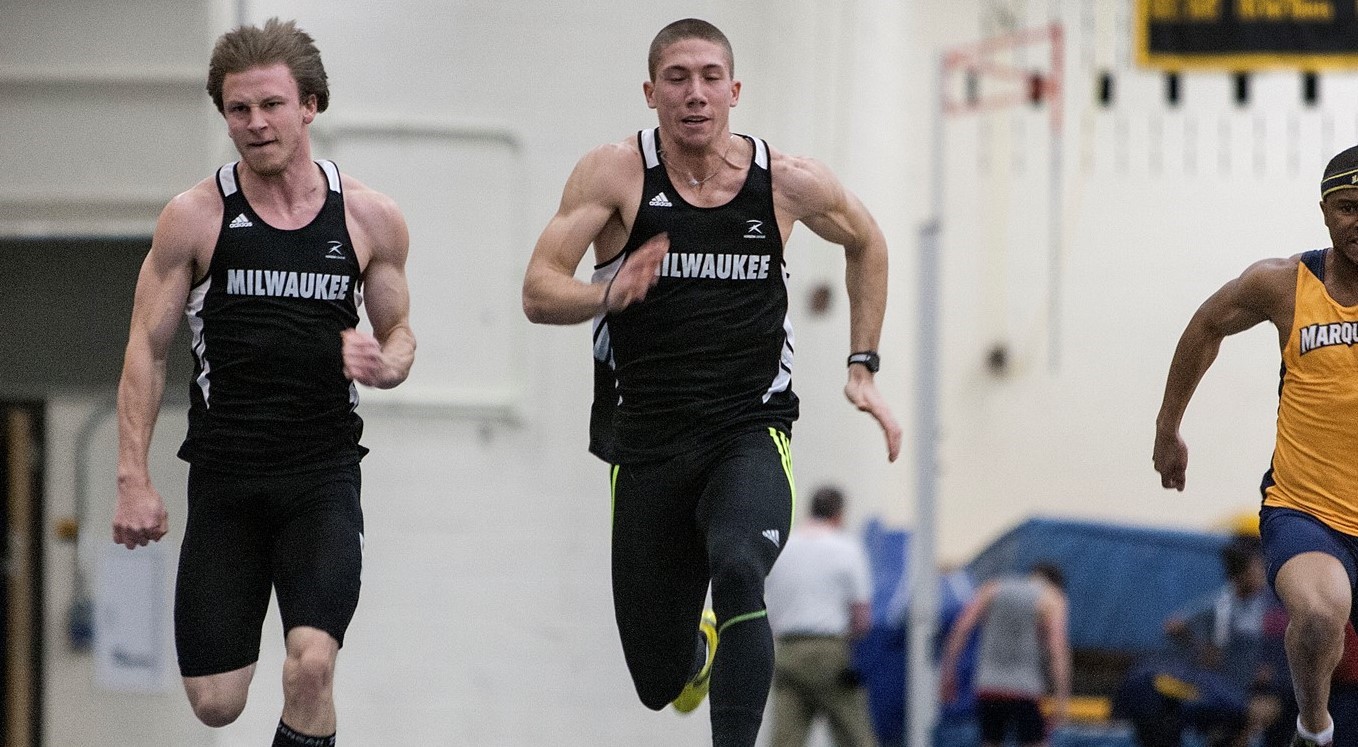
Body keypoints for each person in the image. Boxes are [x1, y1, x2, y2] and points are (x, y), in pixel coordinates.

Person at [521, 17, 901, 747]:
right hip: (647, 438)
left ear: (734, 90)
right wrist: (609, 293)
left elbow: (868, 241)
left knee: (738, 563)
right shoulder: (614, 175)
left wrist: (863, 364)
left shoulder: (784, 181)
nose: (694, 94)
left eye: (707, 78)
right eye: (676, 78)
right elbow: (538, 289)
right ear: (651, 93)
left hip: (749, 426)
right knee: (657, 680)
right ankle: (694, 652)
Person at [112, 18, 415, 747]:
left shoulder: (370, 217)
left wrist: (388, 362)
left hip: (323, 475)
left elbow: (400, 334)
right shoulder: (195, 218)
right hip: (226, 478)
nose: (255, 123)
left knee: (310, 665)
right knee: (216, 702)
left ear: (309, 105)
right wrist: (132, 477)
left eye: (271, 105)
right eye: (238, 109)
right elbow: (145, 352)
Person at [1154, 144, 1358, 747]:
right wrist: (1168, 428)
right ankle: (1312, 726)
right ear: (1325, 211)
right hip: (1308, 509)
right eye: (1348, 208)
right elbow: (1207, 325)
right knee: (1321, 615)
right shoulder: (1285, 284)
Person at [763, 485, 878, 747]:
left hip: (788, 651)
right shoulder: (847, 548)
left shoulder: (784, 547)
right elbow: (862, 617)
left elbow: (768, 605)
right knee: (855, 736)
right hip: (830, 652)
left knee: (785, 740)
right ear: (839, 514)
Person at [938, 563, 1071, 747]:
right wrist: (1061, 700)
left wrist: (948, 673)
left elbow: (961, 628)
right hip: (1025, 689)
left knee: (990, 742)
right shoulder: (1052, 599)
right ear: (1056, 584)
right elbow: (1057, 651)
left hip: (988, 686)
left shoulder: (992, 588)